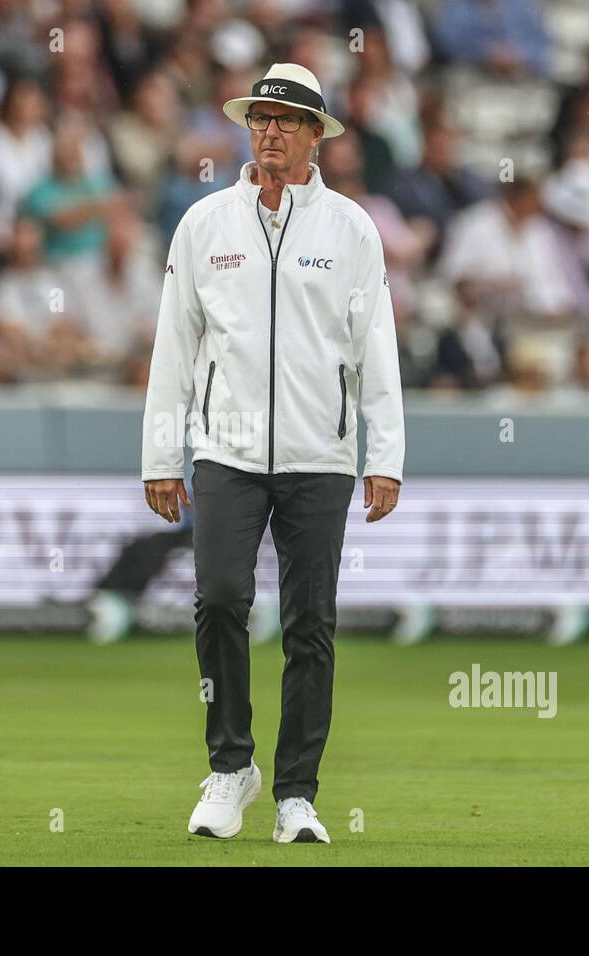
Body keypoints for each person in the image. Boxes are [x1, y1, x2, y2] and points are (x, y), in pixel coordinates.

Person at [140, 63, 405, 844]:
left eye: (288, 120)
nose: (271, 130)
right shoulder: (204, 224)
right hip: (226, 448)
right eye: (261, 118)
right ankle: (230, 770)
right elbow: (175, 345)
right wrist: (162, 454)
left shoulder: (351, 229)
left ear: (317, 135)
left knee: (309, 625)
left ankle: (296, 792)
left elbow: (375, 349)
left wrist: (382, 454)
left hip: (320, 456)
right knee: (219, 599)